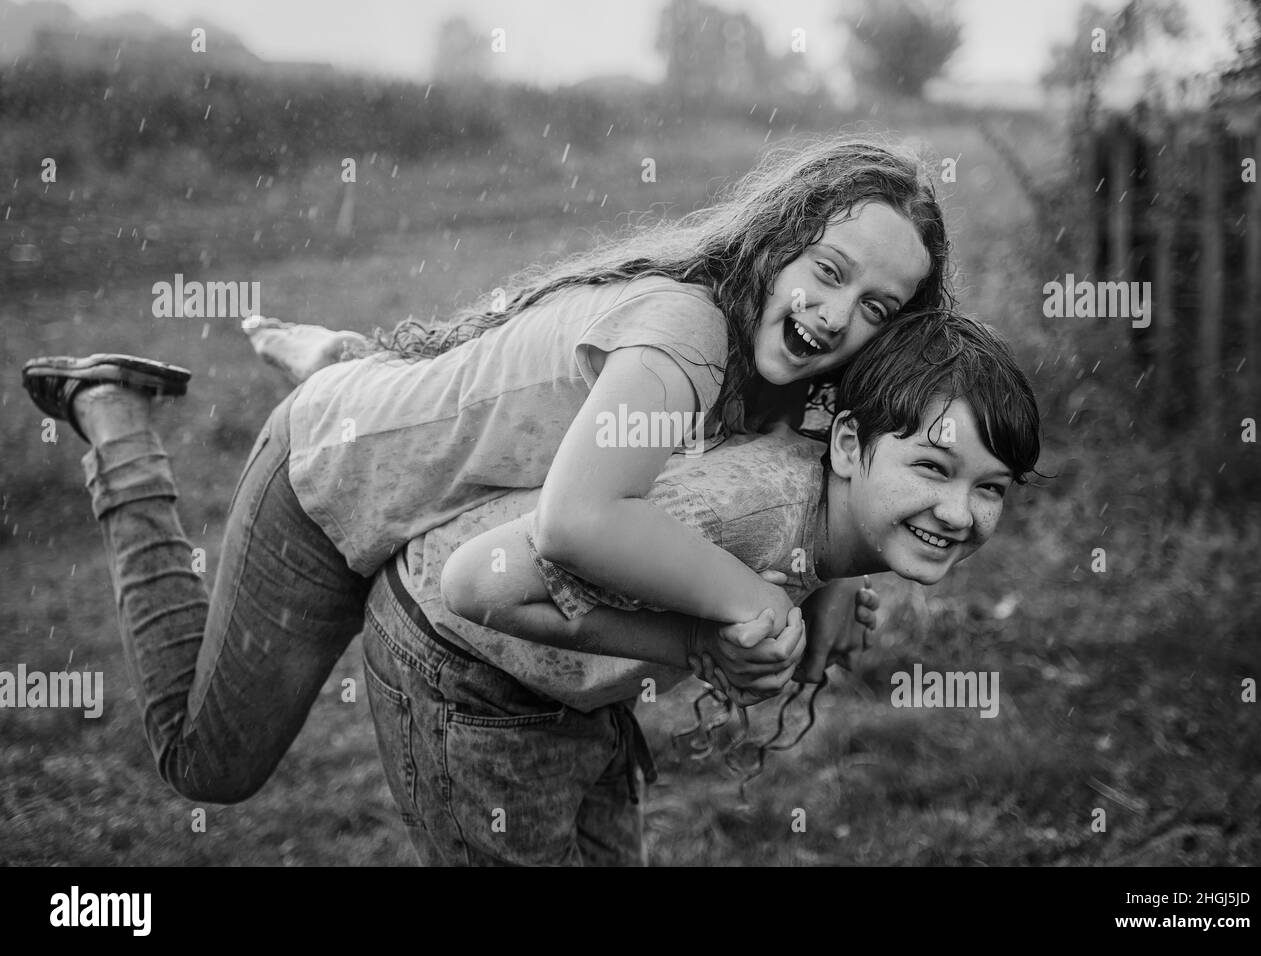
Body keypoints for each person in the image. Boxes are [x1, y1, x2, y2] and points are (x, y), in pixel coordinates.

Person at [20, 135, 947, 805]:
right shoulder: (689, 333)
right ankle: (116, 421)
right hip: (327, 486)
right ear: (776, 242)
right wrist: (748, 607)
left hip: (429, 503)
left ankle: (354, 365)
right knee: (210, 769)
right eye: (826, 271)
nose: (835, 314)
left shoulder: (782, 378)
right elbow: (578, 522)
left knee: (440, 403)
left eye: (876, 308)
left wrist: (825, 582)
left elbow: (812, 497)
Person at [354, 310, 1042, 865]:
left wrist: (820, 607)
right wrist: (693, 643)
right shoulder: (736, 507)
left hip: (569, 689)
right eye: (931, 467)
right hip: (460, 662)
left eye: (990, 488)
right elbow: (475, 584)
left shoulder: (831, 520)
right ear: (847, 447)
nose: (958, 513)